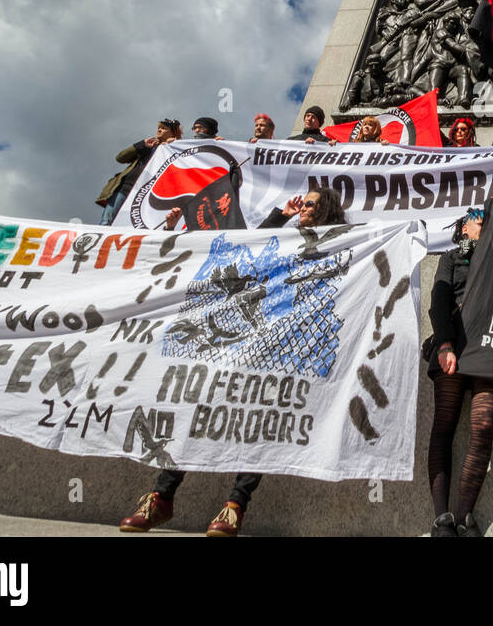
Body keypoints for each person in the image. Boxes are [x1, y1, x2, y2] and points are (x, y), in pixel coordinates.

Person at [121, 186, 348, 536]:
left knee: (259, 421)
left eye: (310, 204)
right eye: (303, 203)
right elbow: (247, 246)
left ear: (326, 209)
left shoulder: (336, 243)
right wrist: (279, 217)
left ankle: (235, 505)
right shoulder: (282, 236)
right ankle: (160, 497)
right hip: (244, 339)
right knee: (199, 411)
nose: (303, 207)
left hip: (284, 348)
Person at [427, 204, 493, 536]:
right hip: (454, 347)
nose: (484, 225)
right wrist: (444, 344)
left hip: (489, 351)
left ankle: (464, 517)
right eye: (479, 221)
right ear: (463, 230)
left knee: (483, 426)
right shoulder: (450, 259)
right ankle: (441, 518)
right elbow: (438, 301)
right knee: (445, 423)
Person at [96, 119, 181, 225]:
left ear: (173, 133)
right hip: (125, 189)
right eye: (159, 127)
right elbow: (120, 158)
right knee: (107, 221)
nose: (159, 130)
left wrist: (174, 145)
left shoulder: (176, 149)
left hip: (145, 195)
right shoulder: (148, 147)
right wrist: (141, 145)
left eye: (164, 128)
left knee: (132, 225)